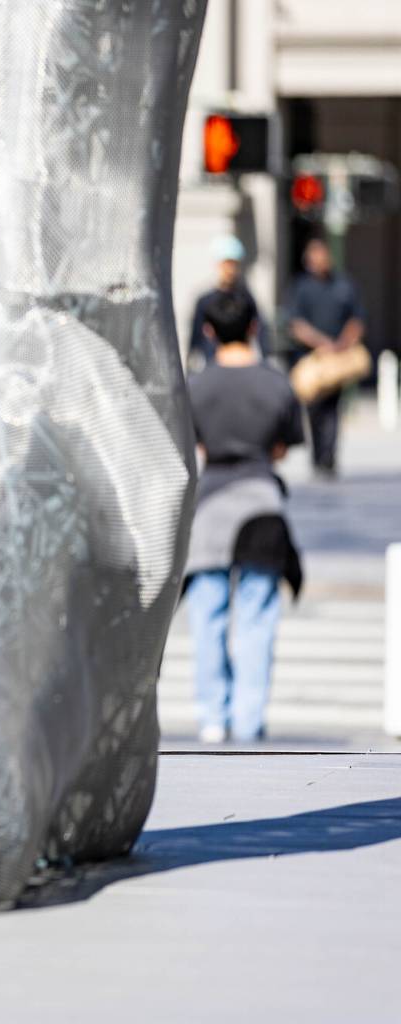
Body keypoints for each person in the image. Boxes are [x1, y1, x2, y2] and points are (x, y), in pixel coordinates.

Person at [183, 289, 304, 744]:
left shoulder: (195, 387)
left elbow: (194, 445)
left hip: (210, 506)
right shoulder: (276, 383)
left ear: (209, 331)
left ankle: (213, 718)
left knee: (207, 617)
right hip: (261, 505)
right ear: (255, 327)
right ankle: (249, 722)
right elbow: (282, 447)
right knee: (257, 618)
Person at [288, 237, 366, 478]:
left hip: (338, 359)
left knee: (333, 411)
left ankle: (328, 459)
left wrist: (343, 343)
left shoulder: (343, 284)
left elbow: (357, 318)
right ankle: (317, 457)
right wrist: (321, 343)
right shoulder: (301, 287)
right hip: (311, 360)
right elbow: (295, 323)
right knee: (314, 411)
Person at [187, 234, 260, 366]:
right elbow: (195, 340)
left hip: (240, 364)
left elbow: (260, 331)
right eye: (227, 264)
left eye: (234, 264)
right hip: (213, 363)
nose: (231, 270)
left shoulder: (246, 299)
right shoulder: (205, 301)